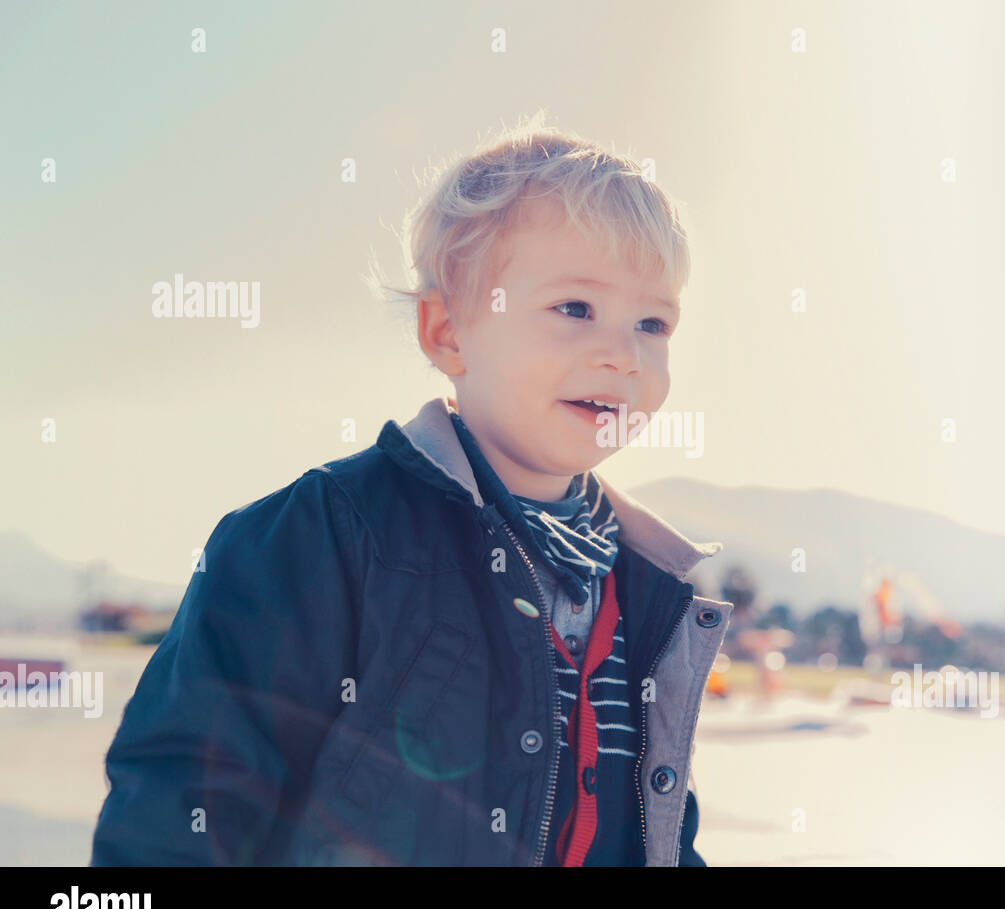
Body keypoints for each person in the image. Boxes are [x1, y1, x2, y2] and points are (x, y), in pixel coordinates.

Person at [91, 119, 733, 866]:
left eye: (652, 323)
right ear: (448, 334)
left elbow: (659, 833)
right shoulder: (327, 535)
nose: (623, 356)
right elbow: (183, 803)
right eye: (576, 309)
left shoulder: (650, 589)